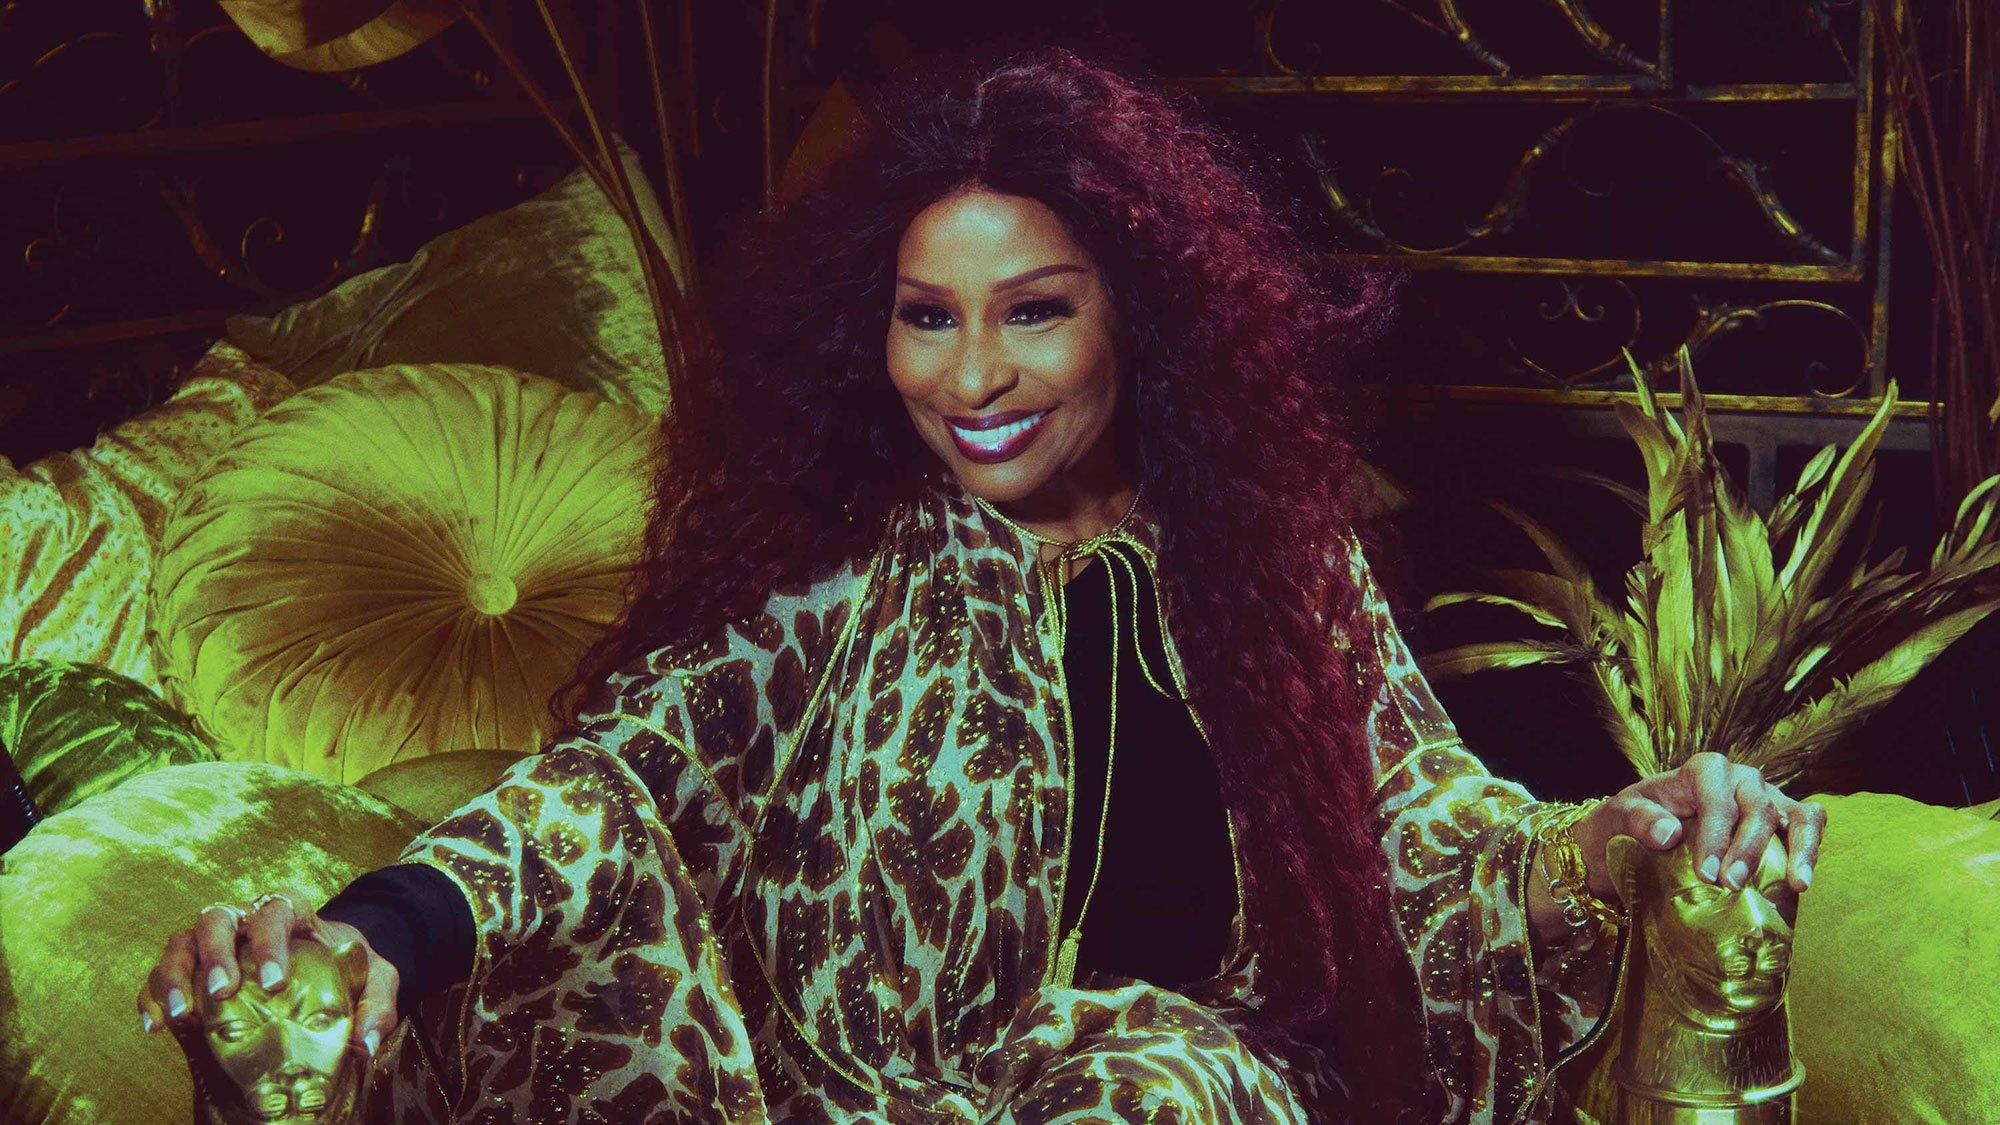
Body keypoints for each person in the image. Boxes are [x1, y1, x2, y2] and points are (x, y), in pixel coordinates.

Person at [137, 49, 1825, 1122]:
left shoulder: (1274, 569)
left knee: (1159, 1093)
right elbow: (609, 790)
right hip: (852, 1104)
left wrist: (1627, 843)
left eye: (1034, 310)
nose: (971, 375)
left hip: (1180, 1094)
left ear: (1137, 313)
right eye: (925, 316)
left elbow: (1433, 840)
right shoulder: (831, 572)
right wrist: (373, 934)